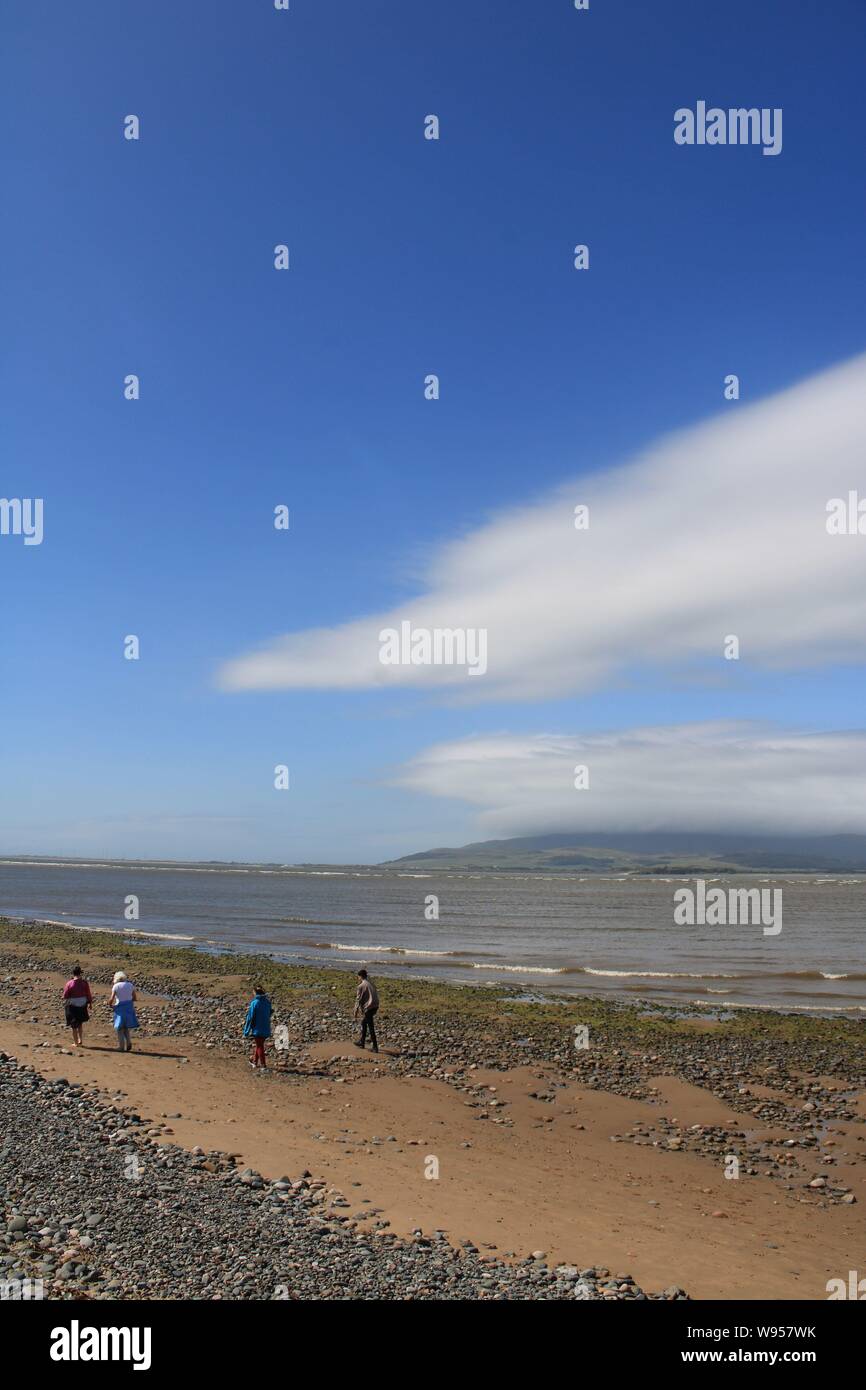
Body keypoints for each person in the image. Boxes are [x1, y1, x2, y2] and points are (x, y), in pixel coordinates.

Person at [61, 966, 92, 1048]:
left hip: (73, 1005)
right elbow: (88, 993)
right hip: (82, 1004)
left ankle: (76, 1043)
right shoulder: (84, 983)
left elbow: (65, 995)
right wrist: (90, 1003)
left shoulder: (69, 983)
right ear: (80, 973)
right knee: (80, 1023)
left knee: (73, 1025)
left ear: (73, 973)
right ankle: (80, 1039)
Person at [243, 985, 272, 1069]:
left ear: (255, 993)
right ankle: (254, 1062)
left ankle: (263, 1065)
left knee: (260, 1046)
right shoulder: (267, 1002)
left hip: (257, 1028)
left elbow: (250, 1017)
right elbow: (269, 1013)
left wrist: (246, 1031)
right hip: (266, 1027)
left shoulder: (254, 1003)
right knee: (259, 1044)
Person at [109, 971, 139, 1052]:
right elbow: (135, 998)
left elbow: (111, 998)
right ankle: (128, 1043)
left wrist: (110, 1005)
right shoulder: (130, 985)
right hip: (129, 1007)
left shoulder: (116, 986)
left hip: (120, 1007)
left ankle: (121, 1047)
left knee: (119, 1028)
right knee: (126, 1027)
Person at [353, 969, 379, 1053]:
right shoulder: (371, 983)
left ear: (360, 976)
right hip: (375, 1006)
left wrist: (355, 1011)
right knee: (364, 1023)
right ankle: (362, 1042)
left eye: (358, 977)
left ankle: (375, 1047)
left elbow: (358, 1000)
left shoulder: (361, 986)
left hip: (369, 1007)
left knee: (371, 1027)